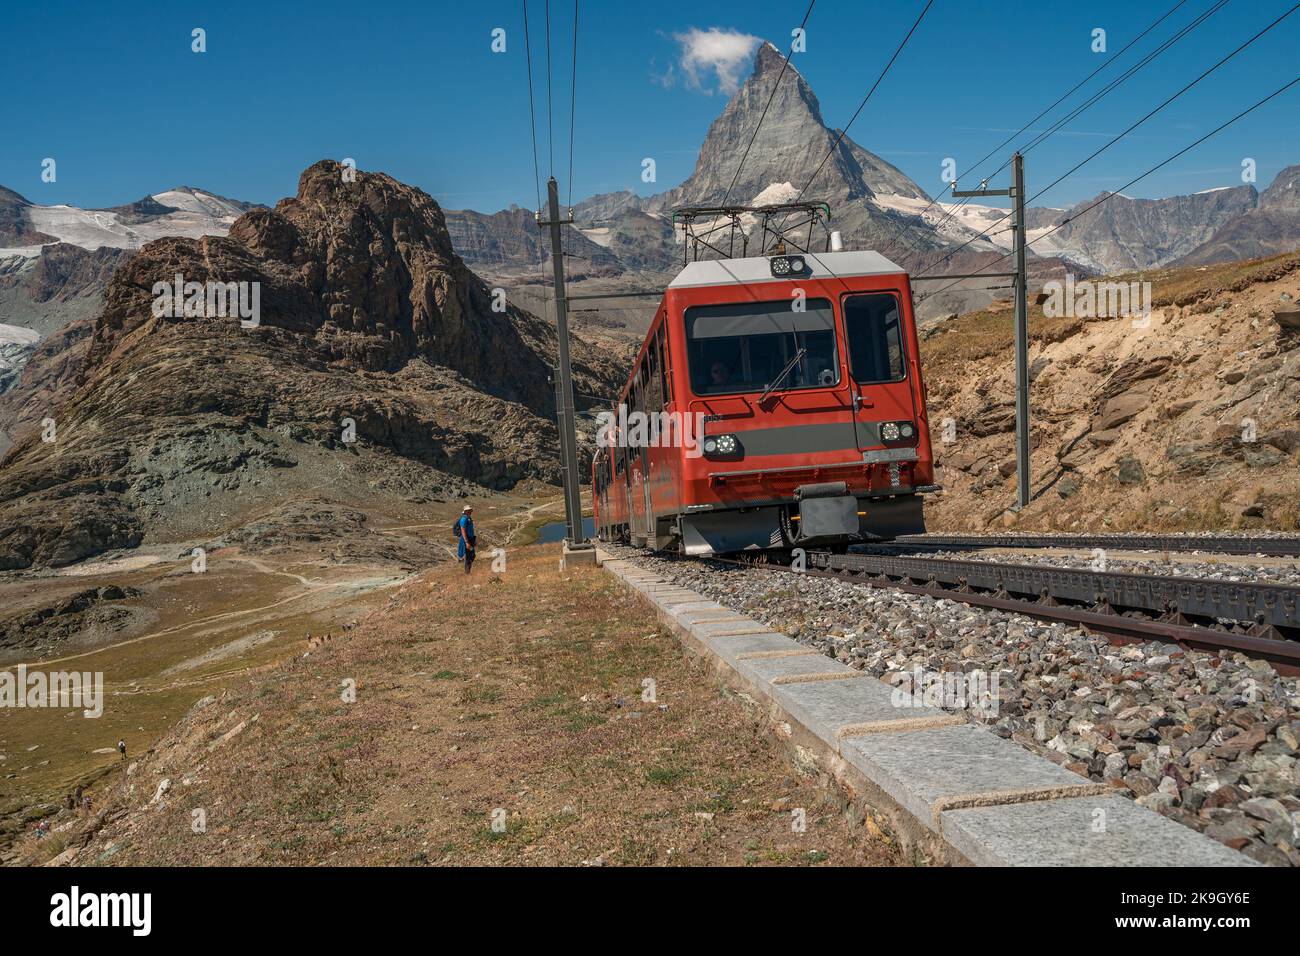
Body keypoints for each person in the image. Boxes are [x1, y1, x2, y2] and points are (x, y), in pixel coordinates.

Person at [456, 505, 476, 574]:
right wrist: (467, 542)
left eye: (470, 510)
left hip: (470, 538)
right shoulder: (464, 519)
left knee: (472, 555)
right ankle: (467, 572)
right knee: (468, 556)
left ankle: (468, 571)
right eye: (469, 510)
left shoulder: (468, 518)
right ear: (466, 511)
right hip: (467, 539)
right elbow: (463, 530)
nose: (470, 511)